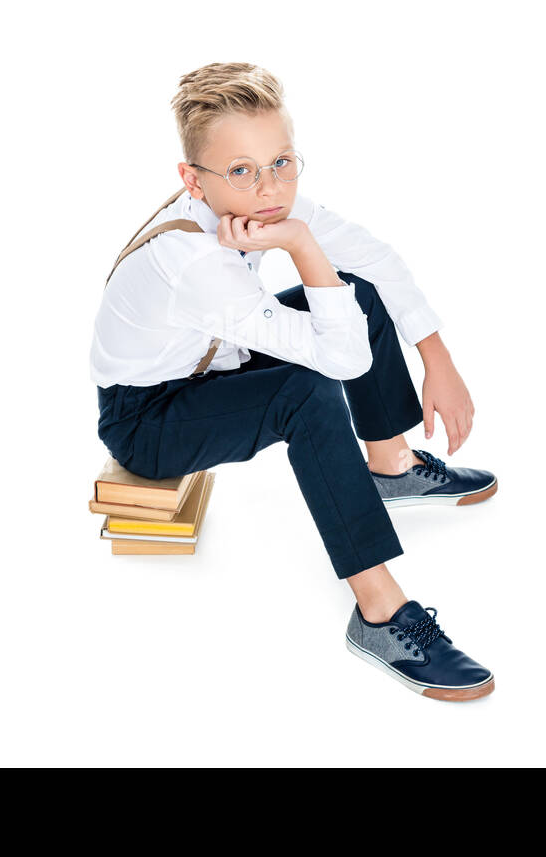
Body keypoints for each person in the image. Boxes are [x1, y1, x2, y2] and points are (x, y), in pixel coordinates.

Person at [89, 62, 499, 701]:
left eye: (281, 162)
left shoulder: (258, 199)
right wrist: (303, 246)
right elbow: (341, 363)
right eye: (242, 170)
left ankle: (390, 466)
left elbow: (375, 258)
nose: (270, 186)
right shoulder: (194, 263)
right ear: (192, 180)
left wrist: (437, 358)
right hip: (147, 420)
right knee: (305, 392)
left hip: (214, 361)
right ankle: (380, 614)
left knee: (354, 290)